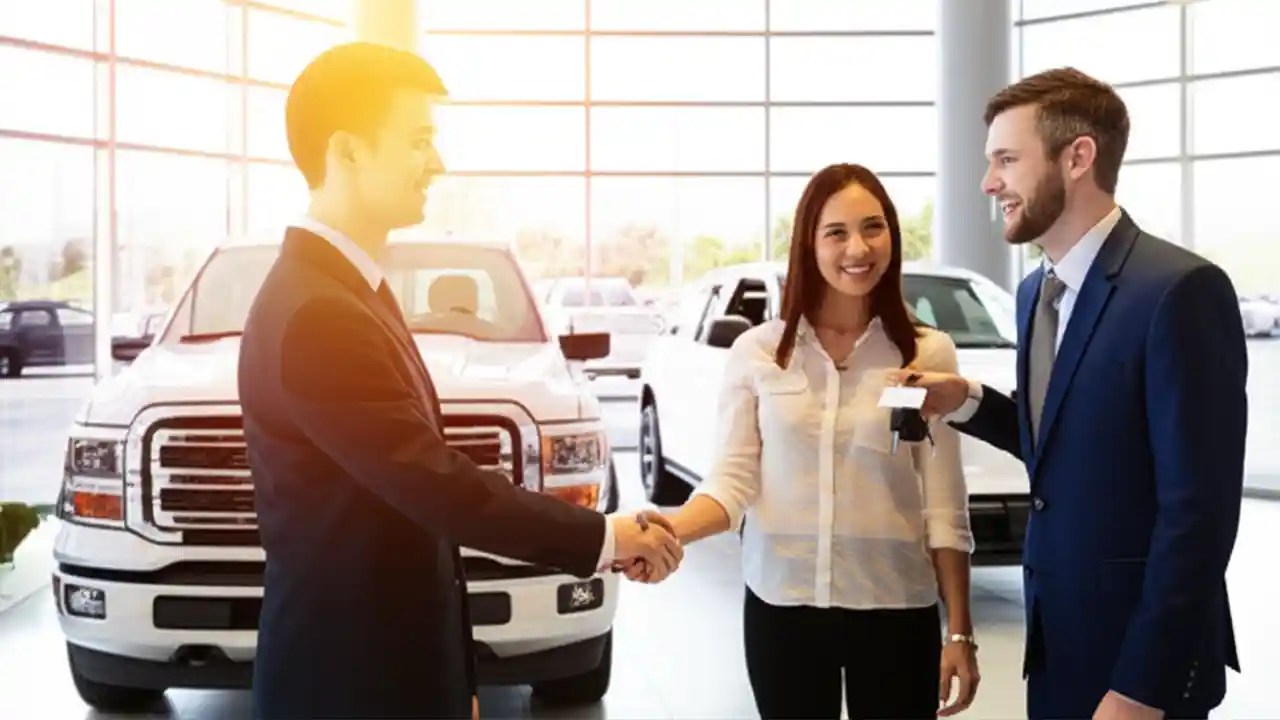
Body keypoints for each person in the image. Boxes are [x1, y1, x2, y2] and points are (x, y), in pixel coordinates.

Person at [237, 43, 682, 720]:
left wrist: (454, 680)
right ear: (348, 152)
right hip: (349, 686)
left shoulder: (345, 290)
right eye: (418, 140)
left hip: (391, 674)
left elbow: (410, 524)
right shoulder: (319, 310)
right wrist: (607, 538)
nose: (436, 163)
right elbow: (437, 485)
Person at [893, 67, 1246, 720]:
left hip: (1142, 669)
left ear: (1078, 156)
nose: (988, 182)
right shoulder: (1037, 293)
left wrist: (1142, 686)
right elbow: (1060, 445)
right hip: (1059, 647)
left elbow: (1199, 517)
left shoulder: (1180, 291)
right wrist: (965, 398)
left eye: (1006, 159)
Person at [643, 163, 980, 719]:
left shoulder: (928, 353)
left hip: (895, 605)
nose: (858, 247)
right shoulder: (758, 352)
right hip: (784, 603)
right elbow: (733, 481)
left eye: (873, 227)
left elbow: (945, 504)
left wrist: (960, 633)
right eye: (837, 233)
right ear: (808, 243)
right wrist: (669, 527)